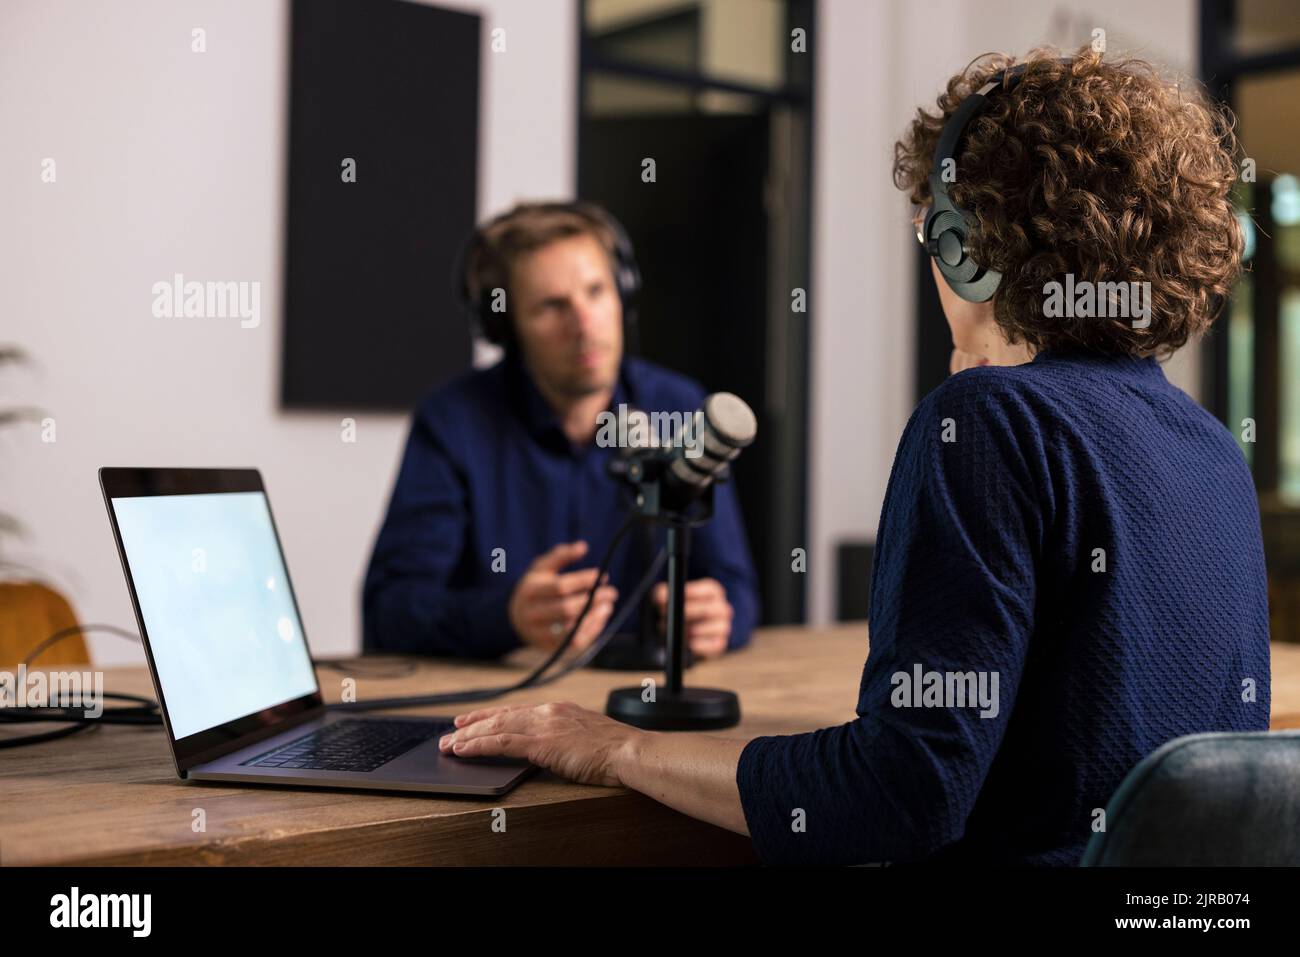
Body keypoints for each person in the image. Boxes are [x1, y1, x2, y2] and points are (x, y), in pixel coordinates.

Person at [434, 49, 1271, 865]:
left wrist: (614, 747)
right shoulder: (1208, 447)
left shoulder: (987, 421)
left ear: (962, 246)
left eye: (927, 233)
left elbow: (899, 797)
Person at [363, 201, 759, 660]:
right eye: (552, 306)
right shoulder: (452, 422)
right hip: (505, 714)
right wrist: (507, 617)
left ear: (623, 292)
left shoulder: (680, 407)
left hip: (647, 714)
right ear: (505, 325)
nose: (584, 325)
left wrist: (720, 617)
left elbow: (737, 588)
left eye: (596, 291)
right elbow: (389, 612)